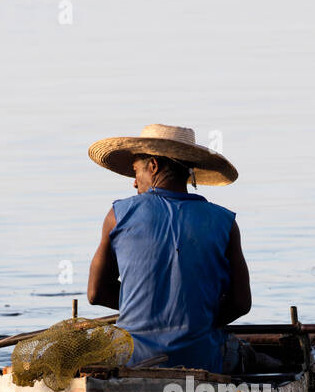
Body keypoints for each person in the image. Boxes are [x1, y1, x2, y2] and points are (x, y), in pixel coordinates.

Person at [85, 123, 259, 374]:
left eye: (136, 172)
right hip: (202, 359)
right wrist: (197, 316)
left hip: (134, 359)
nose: (134, 183)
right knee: (253, 357)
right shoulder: (225, 222)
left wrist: (146, 310)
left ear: (153, 165)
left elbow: (96, 293)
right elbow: (241, 303)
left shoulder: (118, 215)